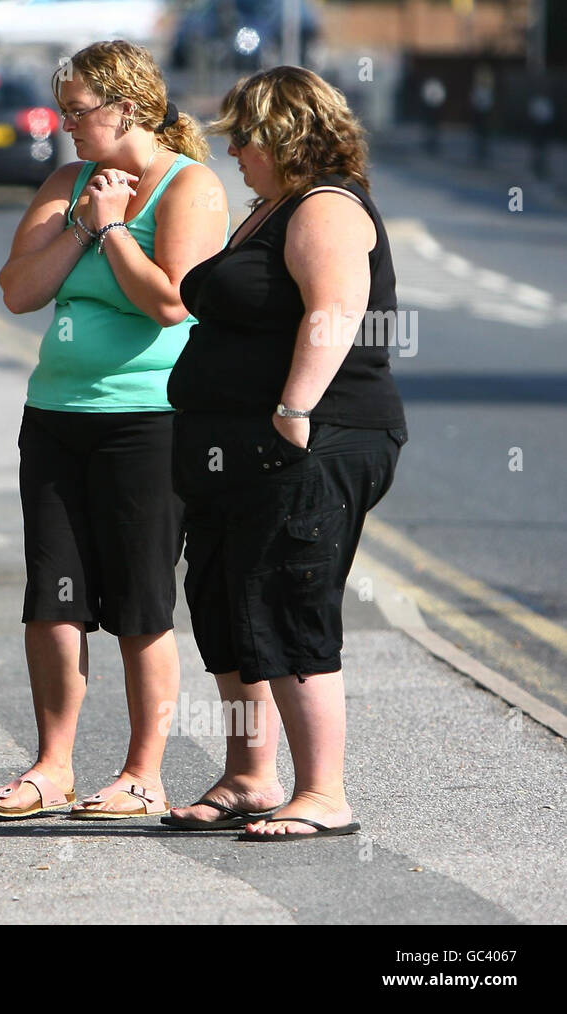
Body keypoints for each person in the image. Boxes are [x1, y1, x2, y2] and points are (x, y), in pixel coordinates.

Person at [0, 40, 228, 819]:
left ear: (126, 108)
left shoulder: (189, 188)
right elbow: (19, 290)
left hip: (149, 423)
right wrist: (84, 226)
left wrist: (117, 227)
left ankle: (141, 773)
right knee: (52, 597)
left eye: (79, 110)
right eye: (64, 110)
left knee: (139, 603)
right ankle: (53, 766)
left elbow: (170, 302)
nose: (67, 125)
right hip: (56, 417)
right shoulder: (67, 185)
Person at [163, 66, 408, 840]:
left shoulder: (327, 207)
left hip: (313, 440)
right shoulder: (271, 209)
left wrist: (294, 410)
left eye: (244, 133)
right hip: (231, 451)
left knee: (291, 603)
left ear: (285, 134)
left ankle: (323, 793)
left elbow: (336, 312)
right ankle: (249, 776)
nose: (231, 147)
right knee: (231, 608)